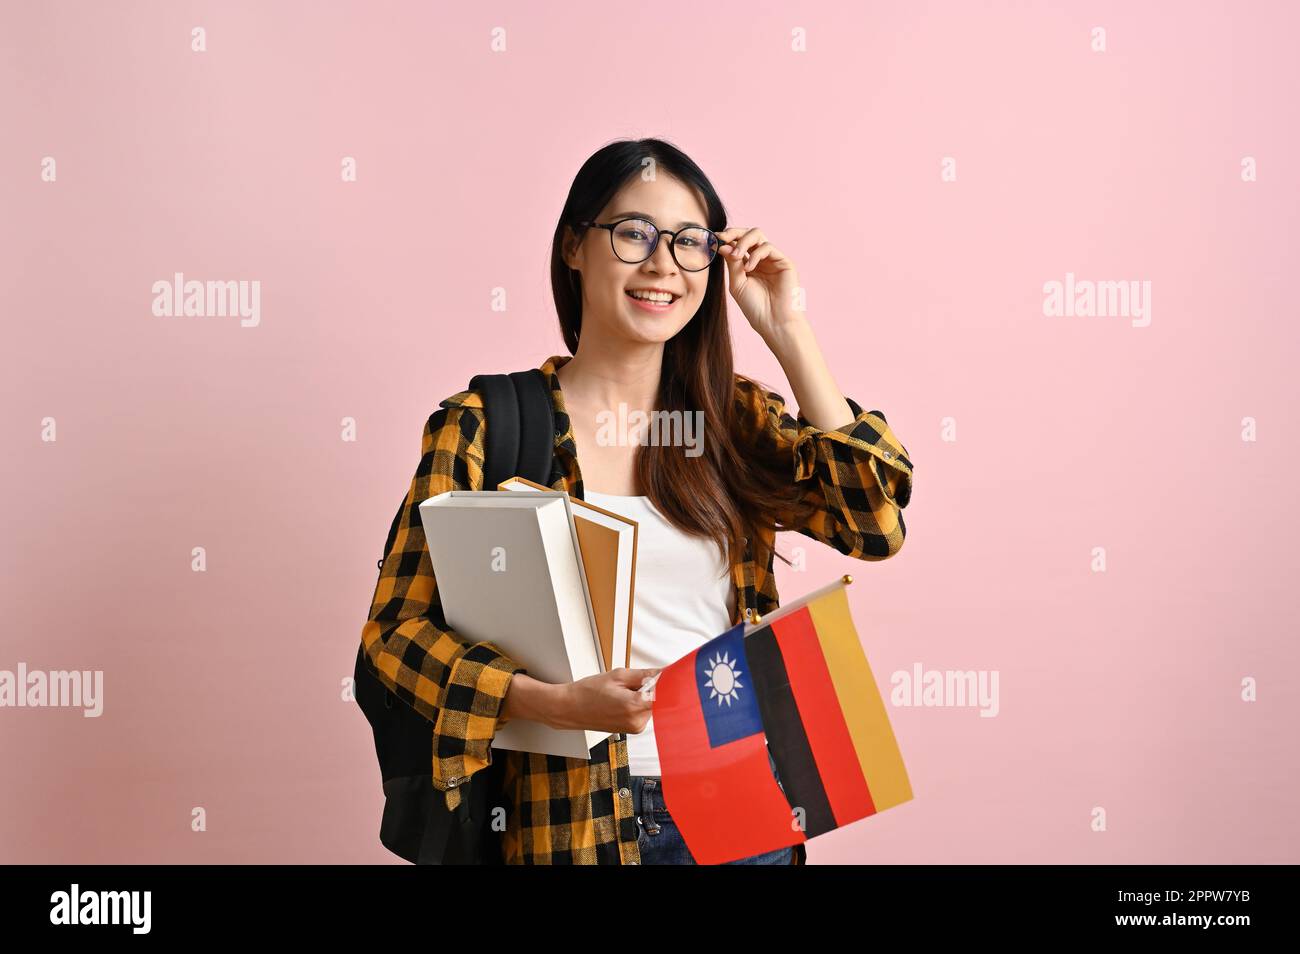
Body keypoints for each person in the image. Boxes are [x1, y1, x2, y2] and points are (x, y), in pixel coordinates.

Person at [359, 137, 914, 865]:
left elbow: (873, 523)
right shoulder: (487, 425)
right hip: (571, 822)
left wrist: (787, 330)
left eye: (689, 243)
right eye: (632, 234)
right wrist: (546, 703)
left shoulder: (729, 420)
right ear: (573, 247)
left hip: (744, 809)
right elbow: (394, 635)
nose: (662, 265)